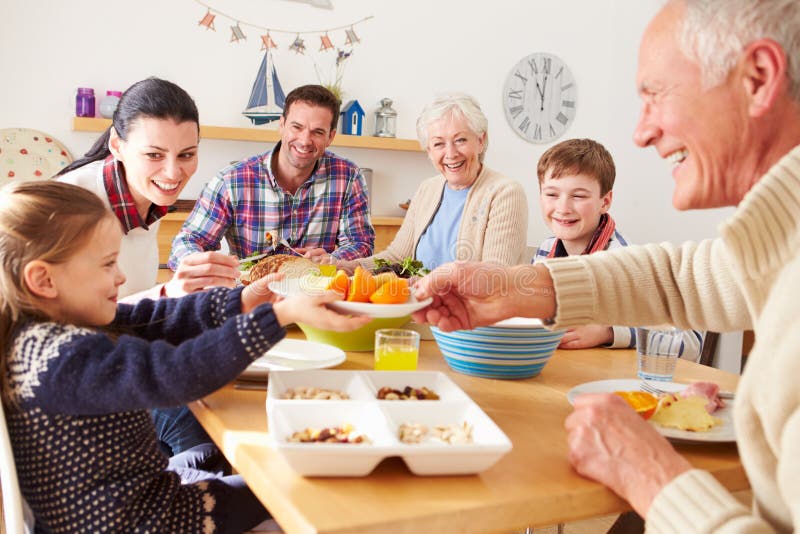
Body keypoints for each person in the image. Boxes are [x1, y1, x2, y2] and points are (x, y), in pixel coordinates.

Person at [414, 0, 800, 530]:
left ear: (758, 78)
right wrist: (517, 285)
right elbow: (686, 276)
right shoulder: (784, 237)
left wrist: (650, 478)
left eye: (655, 95)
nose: (641, 132)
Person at [0, 181, 369, 532]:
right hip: (141, 520)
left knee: (221, 454)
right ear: (44, 280)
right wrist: (277, 317)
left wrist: (241, 301)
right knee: (295, 486)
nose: (120, 276)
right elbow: (175, 373)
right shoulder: (65, 357)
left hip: (125, 499)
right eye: (107, 264)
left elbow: (152, 319)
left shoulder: (40, 331)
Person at [168, 84, 375, 283]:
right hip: (250, 298)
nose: (305, 140)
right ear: (282, 125)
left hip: (318, 296)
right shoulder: (231, 181)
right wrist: (206, 265)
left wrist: (333, 261)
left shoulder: (348, 177)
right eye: (297, 127)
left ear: (330, 137)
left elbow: (361, 243)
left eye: (317, 132)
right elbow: (188, 241)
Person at [533, 138, 703, 356]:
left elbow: (691, 342)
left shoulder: (628, 262)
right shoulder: (545, 251)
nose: (563, 208)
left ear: (605, 201)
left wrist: (609, 332)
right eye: (551, 194)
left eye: (578, 196)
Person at [326, 92, 528, 273]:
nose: (450, 153)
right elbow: (397, 257)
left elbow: (494, 274)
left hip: (473, 313)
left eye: (460, 140)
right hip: (421, 306)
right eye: (439, 144)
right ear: (429, 151)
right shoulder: (428, 189)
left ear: (480, 140)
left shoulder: (505, 193)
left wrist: (430, 285)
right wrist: (347, 267)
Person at [56, 76, 217, 299]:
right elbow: (75, 317)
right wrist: (166, 292)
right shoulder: (70, 206)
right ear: (116, 145)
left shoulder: (149, 199)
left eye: (186, 154)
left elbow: (130, 300)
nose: (172, 173)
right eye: (153, 155)